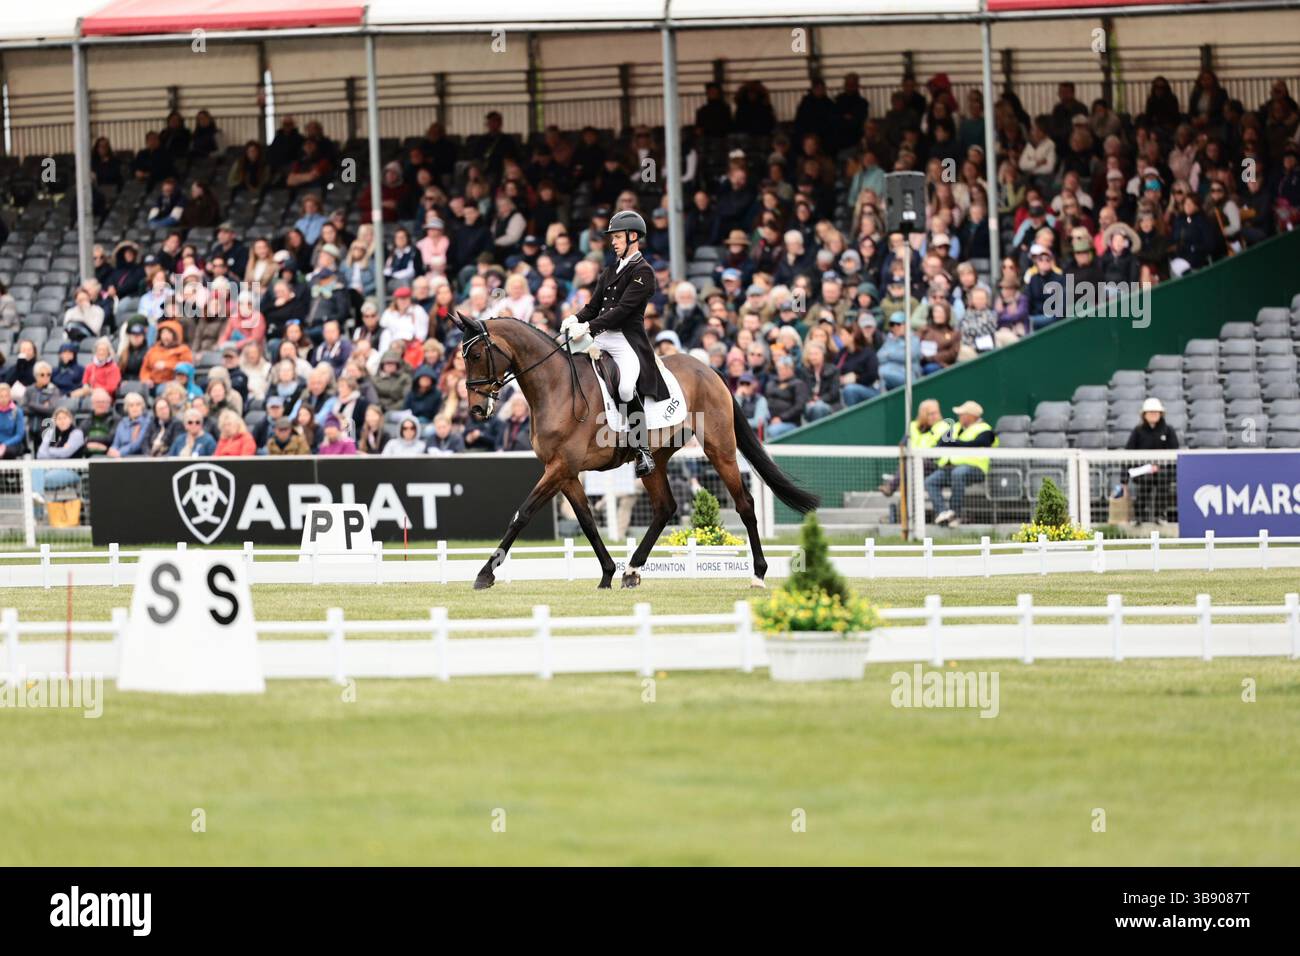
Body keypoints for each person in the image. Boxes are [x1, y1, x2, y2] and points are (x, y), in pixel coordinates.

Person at [560, 209, 669, 476]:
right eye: (613, 238)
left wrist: (588, 327)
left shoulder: (644, 272)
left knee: (624, 387)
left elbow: (621, 311)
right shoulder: (610, 270)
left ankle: (642, 449)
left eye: (618, 237)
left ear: (633, 236)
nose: (613, 242)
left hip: (626, 341)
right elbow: (593, 306)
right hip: (601, 336)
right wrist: (573, 318)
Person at [925, 400, 998, 527]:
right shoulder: (955, 428)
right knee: (930, 481)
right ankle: (943, 513)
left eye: (962, 414)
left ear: (972, 416)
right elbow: (941, 443)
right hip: (951, 469)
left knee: (958, 473)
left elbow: (978, 444)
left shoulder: (986, 430)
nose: (959, 417)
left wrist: (953, 443)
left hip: (975, 470)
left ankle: (955, 513)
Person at [1125, 397, 1179, 525]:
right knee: (1145, 483)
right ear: (1144, 415)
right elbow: (1128, 453)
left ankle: (1160, 515)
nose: (1153, 415)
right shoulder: (1137, 431)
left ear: (1161, 414)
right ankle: (1139, 516)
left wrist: (1159, 466)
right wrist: (1124, 479)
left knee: (1163, 481)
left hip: (1163, 471)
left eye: (1156, 412)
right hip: (1143, 471)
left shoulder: (1168, 430)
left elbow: (1174, 452)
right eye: (1150, 412)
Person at [107, 392, 151, 457]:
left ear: (142, 407)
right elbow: (116, 443)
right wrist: (113, 450)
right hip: (120, 458)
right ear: (127, 408)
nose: (135, 408)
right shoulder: (122, 423)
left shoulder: (147, 422)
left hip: (139, 457)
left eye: (138, 405)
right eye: (131, 405)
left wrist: (120, 452)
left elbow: (138, 444)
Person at [0, 382, 25, 459]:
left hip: (12, 444)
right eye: (1, 396)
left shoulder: (17, 411)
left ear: (10, 397)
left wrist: (5, 445)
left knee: (8, 452)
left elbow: (19, 435)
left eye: (6, 396)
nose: (4, 399)